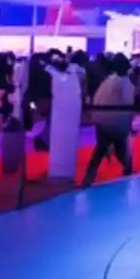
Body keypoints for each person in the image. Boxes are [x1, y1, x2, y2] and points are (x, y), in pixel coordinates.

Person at [82, 54, 136, 187]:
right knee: (120, 150)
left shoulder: (109, 80)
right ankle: (128, 174)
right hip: (117, 122)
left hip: (102, 119)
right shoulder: (126, 82)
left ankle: (89, 177)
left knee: (100, 150)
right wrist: (129, 123)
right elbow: (128, 103)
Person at [45, 52, 85, 182]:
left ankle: (60, 170)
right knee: (67, 139)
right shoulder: (76, 74)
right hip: (69, 112)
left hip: (61, 112)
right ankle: (64, 170)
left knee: (61, 139)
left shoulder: (58, 74)